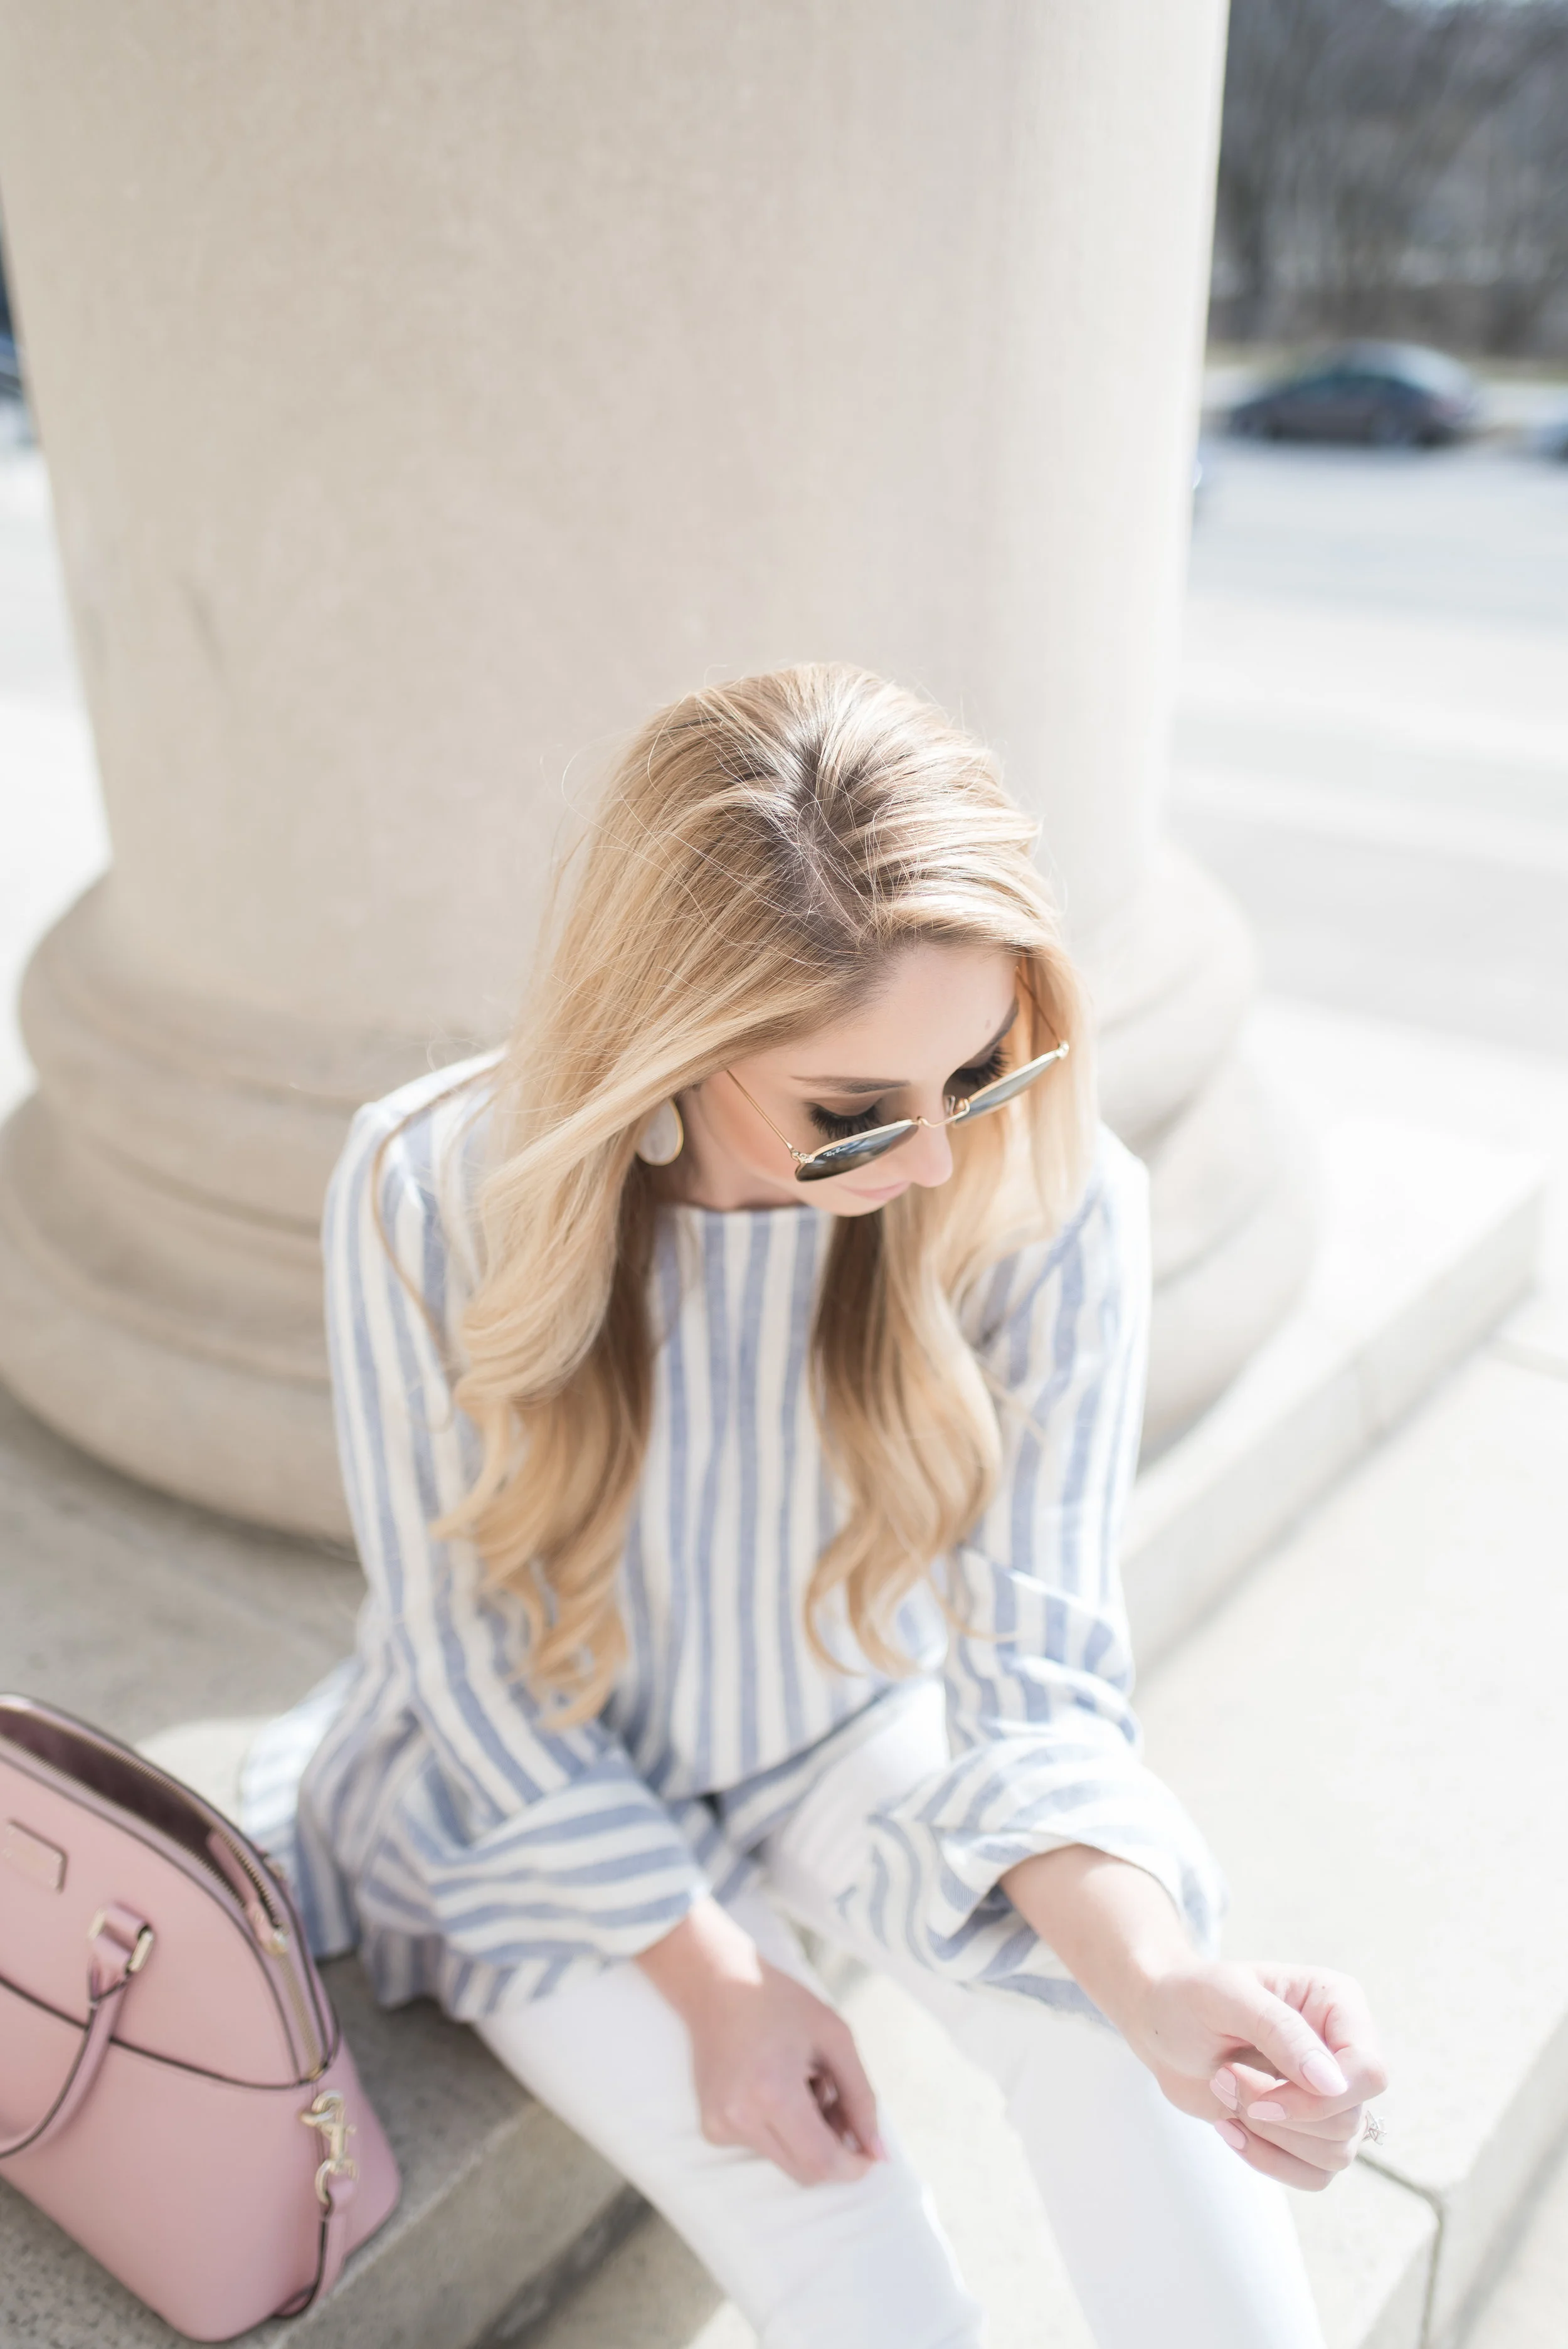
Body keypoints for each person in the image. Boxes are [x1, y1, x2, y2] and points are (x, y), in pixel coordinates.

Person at [243, 665, 1385, 2348]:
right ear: (674, 1042)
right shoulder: (431, 1180)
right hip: (527, 1785)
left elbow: (1038, 1670)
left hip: (847, 1717)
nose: (933, 1163)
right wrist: (719, 1980)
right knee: (847, 2249)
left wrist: (1149, 1975)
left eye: (978, 1071)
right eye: (852, 1115)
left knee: (1129, 2052)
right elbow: (464, 1662)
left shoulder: (1050, 1191)